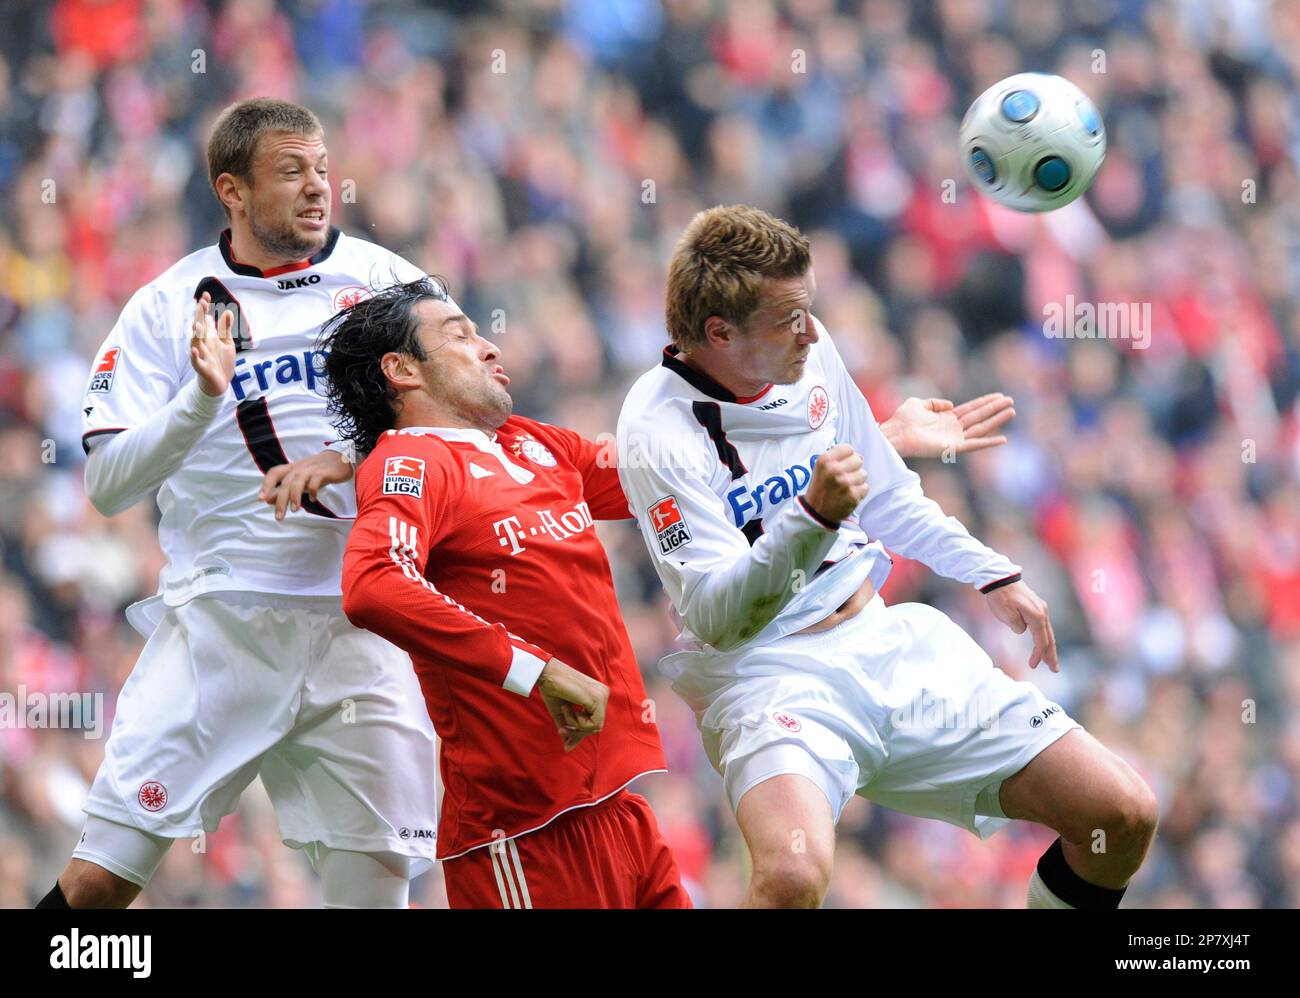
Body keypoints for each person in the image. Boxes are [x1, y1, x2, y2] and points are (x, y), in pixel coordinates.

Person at [616, 204, 1160, 909]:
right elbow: (718, 618)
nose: (811, 331)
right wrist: (814, 517)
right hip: (770, 677)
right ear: (719, 331)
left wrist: (987, 571)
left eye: (809, 309)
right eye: (790, 318)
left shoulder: (808, 353)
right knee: (791, 877)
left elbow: (885, 491)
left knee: (1119, 816)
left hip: (882, 638)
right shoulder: (656, 431)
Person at [39, 98, 444, 910]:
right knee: (97, 881)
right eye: (291, 171)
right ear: (231, 189)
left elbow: (468, 433)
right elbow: (109, 483)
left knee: (379, 894)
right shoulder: (166, 305)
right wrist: (197, 399)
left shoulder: (391, 286)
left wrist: (353, 458)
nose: (317, 188)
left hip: (363, 627)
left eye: (323, 169)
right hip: (223, 627)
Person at [317, 277, 689, 908]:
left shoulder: (533, 442)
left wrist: (871, 440)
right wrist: (537, 672)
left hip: (617, 808)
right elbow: (373, 584)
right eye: (459, 335)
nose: (488, 346)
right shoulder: (411, 462)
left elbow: (679, 480)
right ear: (402, 369)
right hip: (521, 836)